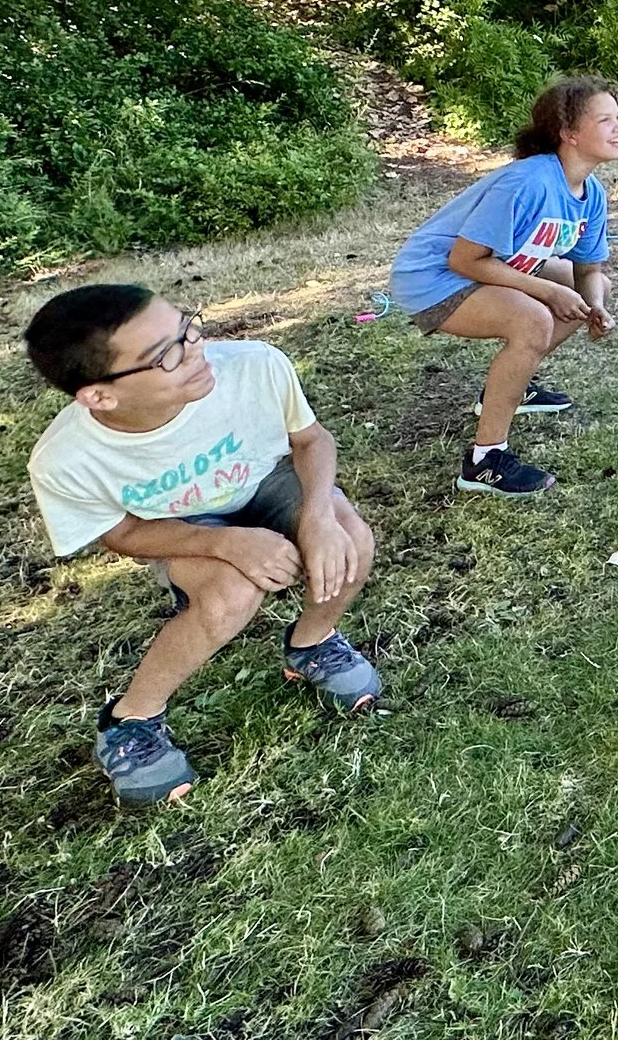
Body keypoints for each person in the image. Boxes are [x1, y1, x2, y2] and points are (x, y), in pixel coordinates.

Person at [22, 286, 380, 806]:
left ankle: (313, 643)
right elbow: (121, 534)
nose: (197, 348)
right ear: (100, 394)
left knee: (352, 540)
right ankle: (131, 721)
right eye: (167, 354)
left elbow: (312, 441)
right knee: (231, 591)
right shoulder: (66, 460)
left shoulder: (257, 365)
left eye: (188, 327)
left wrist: (320, 519)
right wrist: (224, 542)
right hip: (177, 521)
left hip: (266, 479)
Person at [387, 78, 618, 498]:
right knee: (532, 320)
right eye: (605, 120)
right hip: (433, 276)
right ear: (569, 134)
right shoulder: (528, 182)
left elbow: (589, 270)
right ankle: (484, 462)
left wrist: (597, 305)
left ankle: (509, 382)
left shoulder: (592, 194)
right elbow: (464, 260)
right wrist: (549, 293)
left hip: (482, 268)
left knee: (593, 288)